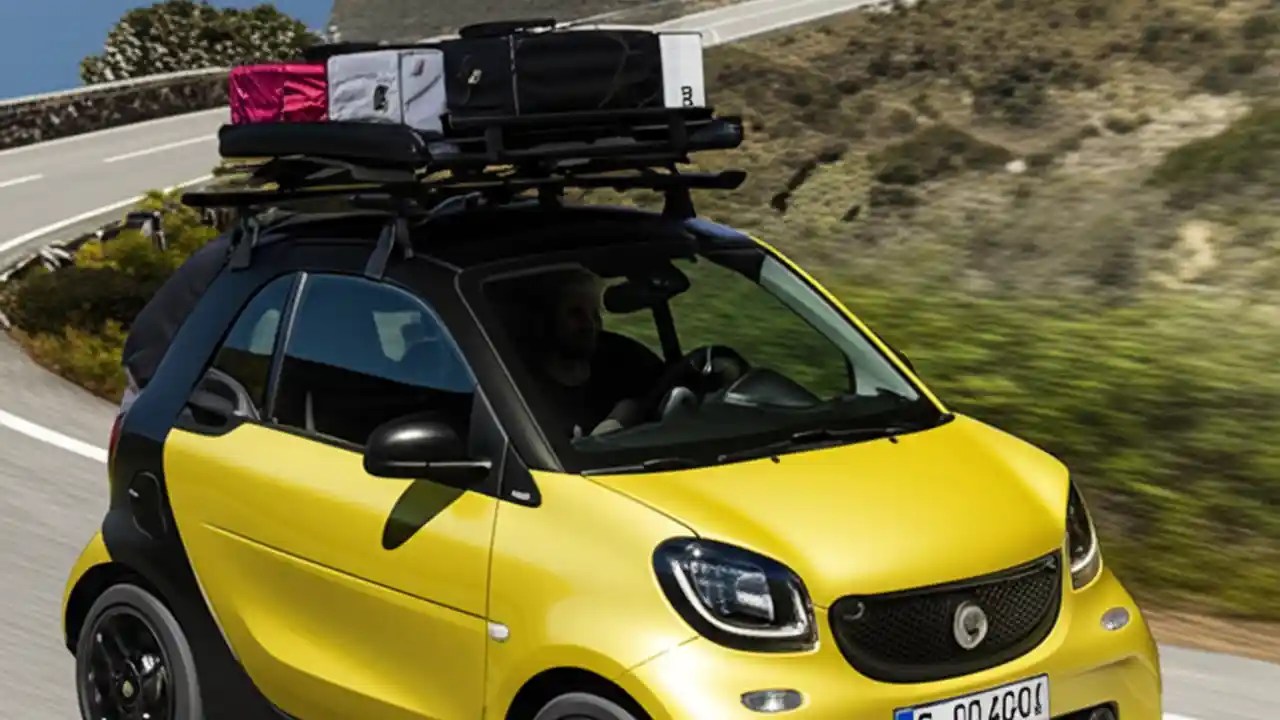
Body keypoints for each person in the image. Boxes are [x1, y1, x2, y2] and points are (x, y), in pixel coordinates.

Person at [522, 267, 665, 439]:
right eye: (576, 313)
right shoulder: (525, 391)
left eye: (595, 314)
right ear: (548, 318)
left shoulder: (622, 361)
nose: (590, 324)